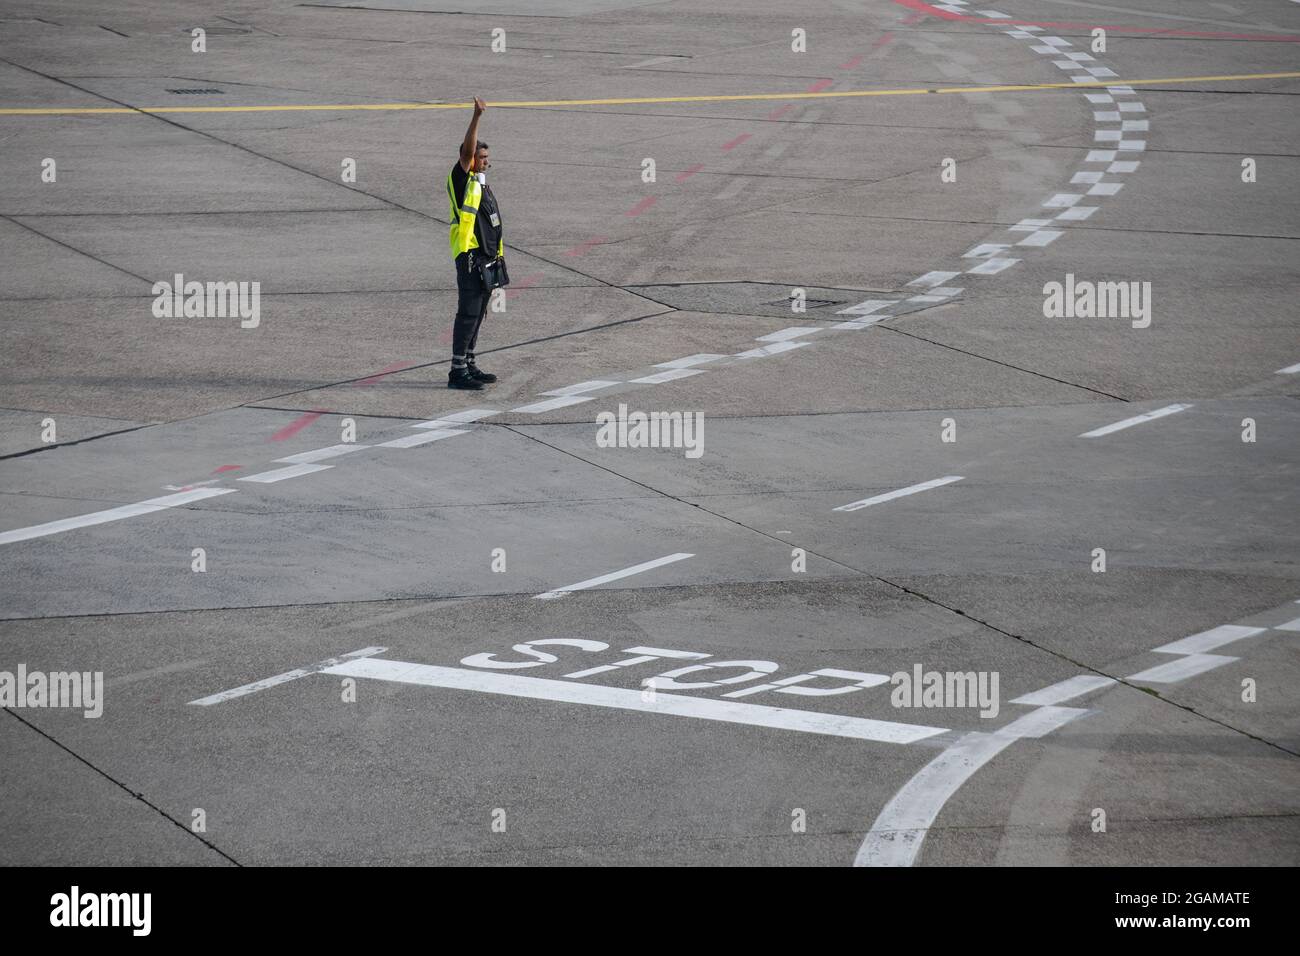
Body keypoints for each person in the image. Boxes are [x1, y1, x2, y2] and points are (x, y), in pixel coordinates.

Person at [445, 96, 504, 390]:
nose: (485, 161)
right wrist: (476, 118)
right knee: (468, 311)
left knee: (479, 311)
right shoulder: (461, 178)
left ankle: (469, 362)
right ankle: (457, 372)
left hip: (486, 257)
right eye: (480, 158)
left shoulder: (483, 183)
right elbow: (468, 151)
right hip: (468, 255)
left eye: (486, 157)